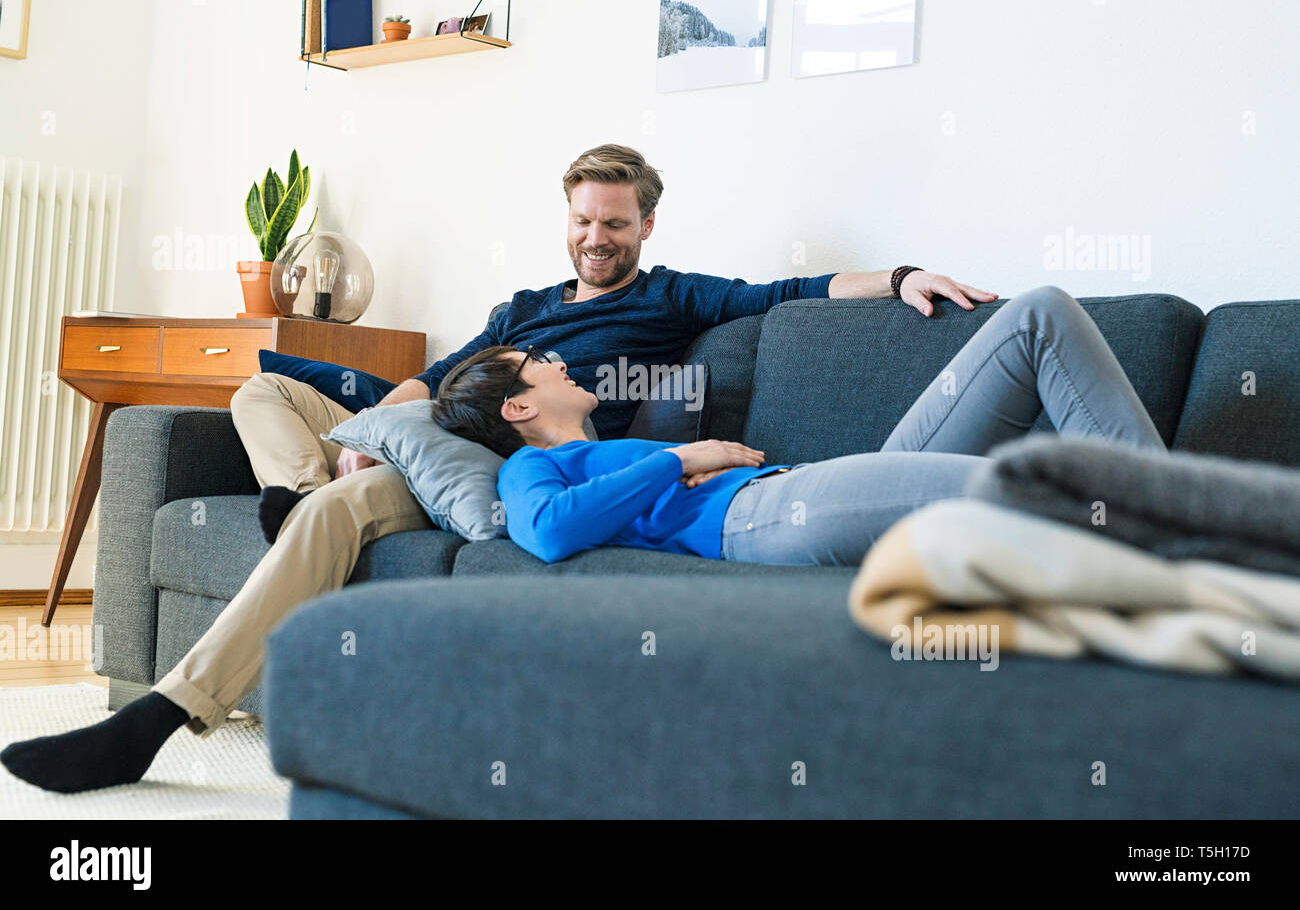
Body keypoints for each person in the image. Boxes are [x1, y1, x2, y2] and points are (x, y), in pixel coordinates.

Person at [1, 143, 998, 793]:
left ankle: (162, 713)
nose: (596, 238)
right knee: (261, 388)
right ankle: (294, 490)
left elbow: (795, 287)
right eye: (583, 220)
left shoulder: (672, 297)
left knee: (344, 514)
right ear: (566, 217)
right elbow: (438, 380)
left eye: (615, 223)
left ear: (645, 226)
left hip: (486, 454)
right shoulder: (523, 308)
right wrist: (376, 426)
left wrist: (901, 275)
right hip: (438, 419)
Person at [430, 286, 1166, 567]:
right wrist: (681, 458)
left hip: (810, 487)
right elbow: (550, 532)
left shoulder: (600, 450)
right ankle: (1178, 532)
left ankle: (1163, 508)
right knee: (1024, 487)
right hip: (768, 516)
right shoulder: (527, 469)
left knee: (1039, 315)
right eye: (538, 361)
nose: (559, 360)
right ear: (517, 408)